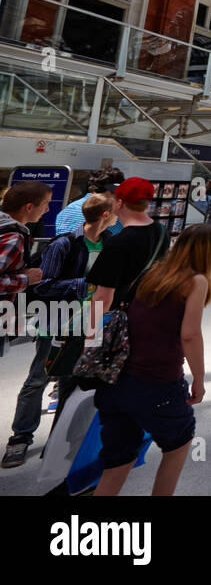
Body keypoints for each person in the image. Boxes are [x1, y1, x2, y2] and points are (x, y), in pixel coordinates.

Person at [92, 223, 211, 496]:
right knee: (179, 443)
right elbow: (190, 335)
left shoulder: (152, 273)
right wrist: (200, 379)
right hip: (158, 380)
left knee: (118, 460)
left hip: (118, 380)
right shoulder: (196, 281)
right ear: (209, 251)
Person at [2, 194, 116, 469]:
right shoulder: (65, 244)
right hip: (56, 320)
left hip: (90, 320)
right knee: (38, 378)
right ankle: (20, 439)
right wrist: (84, 284)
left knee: (73, 381)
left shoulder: (110, 242)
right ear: (104, 215)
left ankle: (62, 439)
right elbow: (42, 285)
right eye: (114, 212)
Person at [86, 178, 167, 315]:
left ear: (119, 203)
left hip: (120, 319)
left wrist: (91, 333)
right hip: (147, 313)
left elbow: (103, 298)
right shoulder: (161, 231)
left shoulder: (118, 242)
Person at [0, 181, 50, 304]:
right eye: (46, 203)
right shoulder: (14, 237)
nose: (47, 210)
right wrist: (26, 279)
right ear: (29, 207)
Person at [54, 167, 123, 236]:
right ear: (110, 191)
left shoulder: (66, 210)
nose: (120, 199)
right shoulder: (112, 215)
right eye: (120, 194)